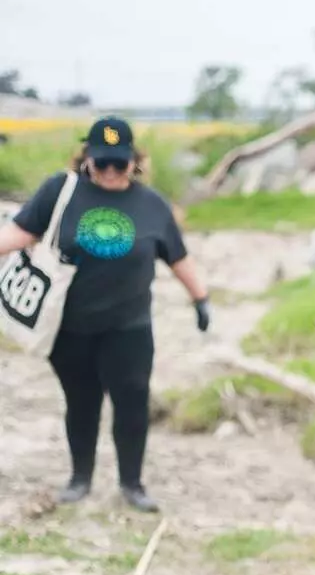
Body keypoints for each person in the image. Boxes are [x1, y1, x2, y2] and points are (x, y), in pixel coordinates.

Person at [0, 116, 210, 513]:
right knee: (81, 403)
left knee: (131, 404)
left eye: (120, 163)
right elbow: (19, 234)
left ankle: (132, 484)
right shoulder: (60, 191)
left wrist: (200, 298)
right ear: (87, 159)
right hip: (69, 329)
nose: (111, 171)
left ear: (135, 161)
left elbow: (177, 257)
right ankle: (80, 479)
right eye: (102, 163)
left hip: (129, 330)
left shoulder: (152, 205)